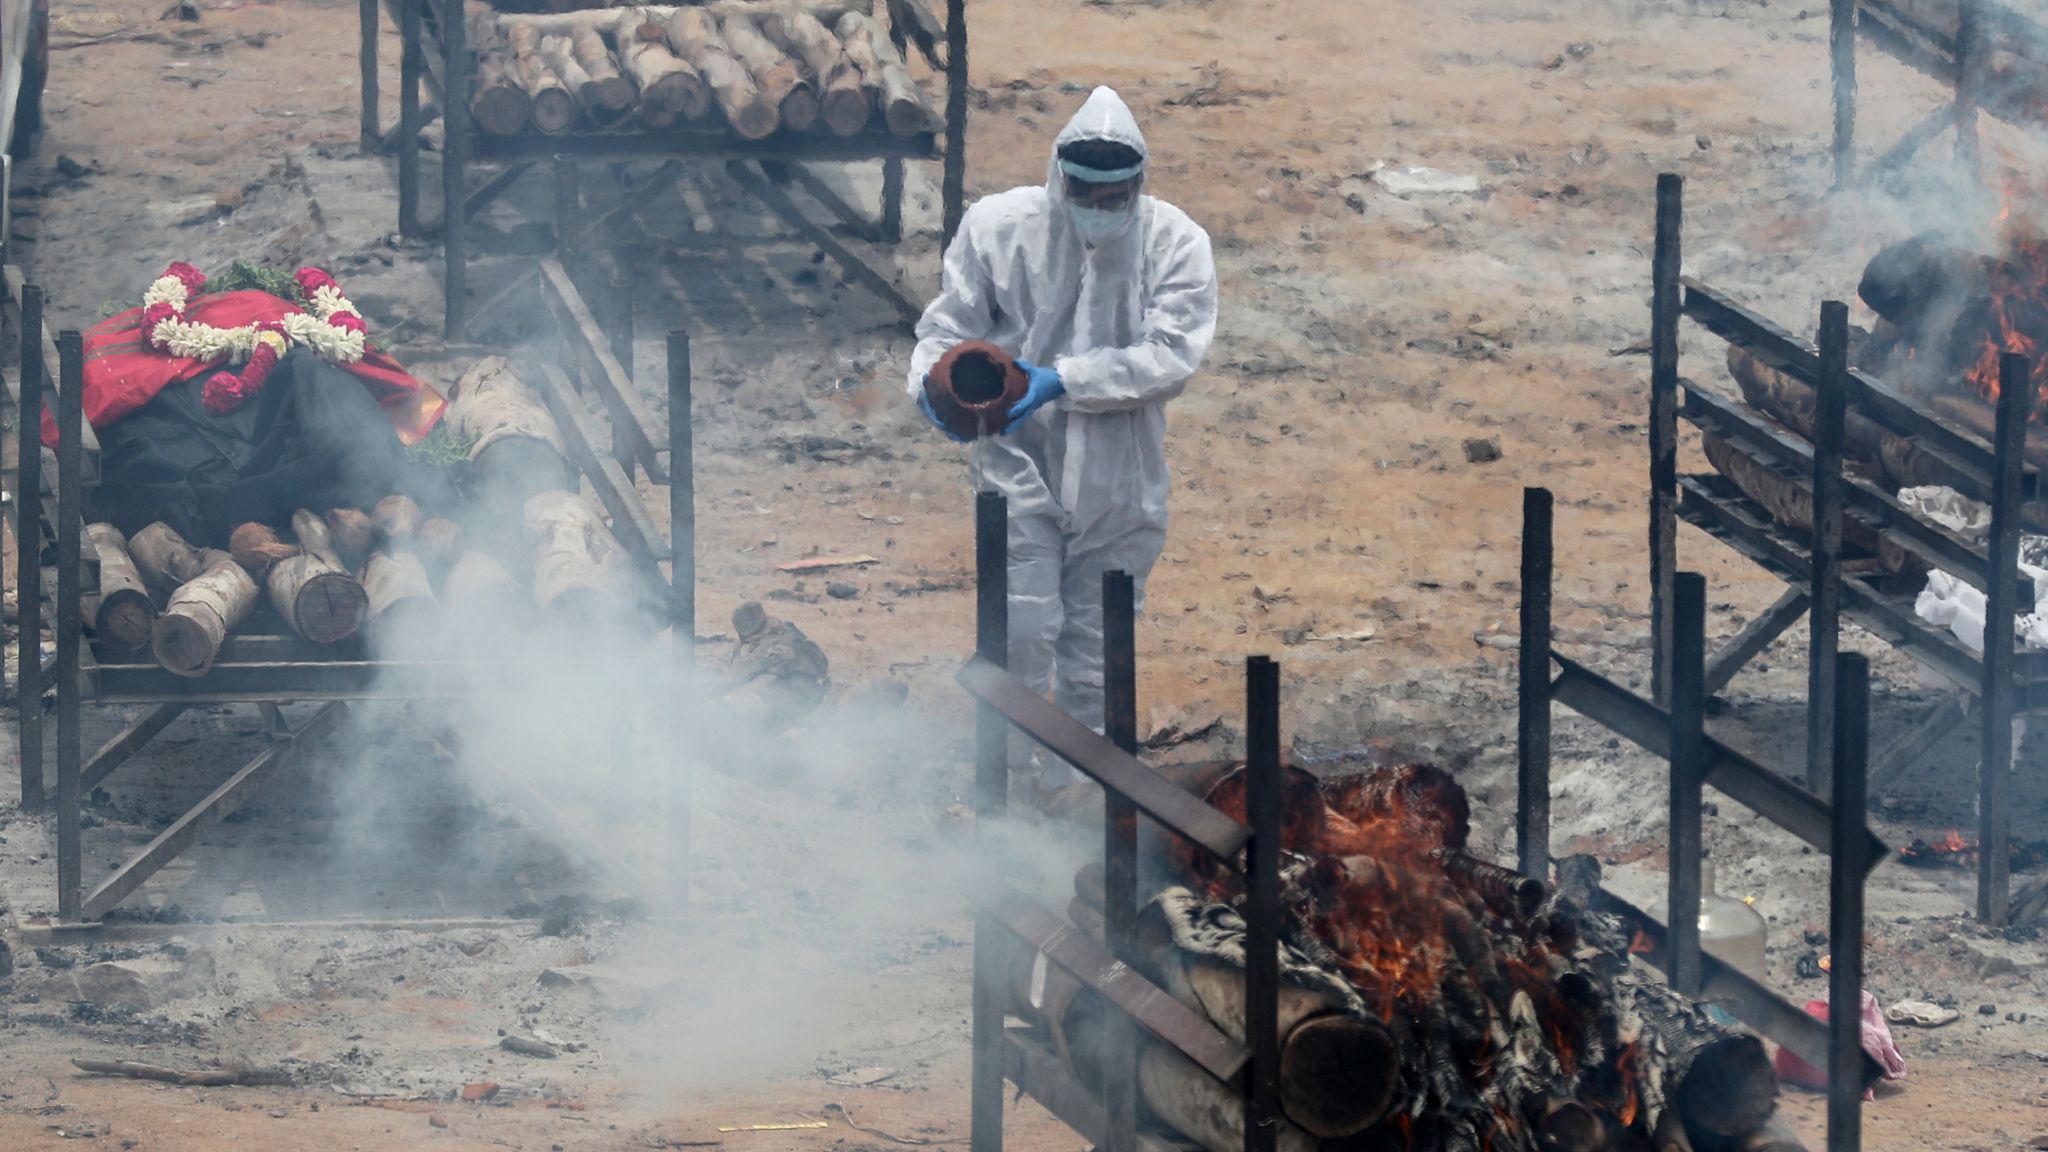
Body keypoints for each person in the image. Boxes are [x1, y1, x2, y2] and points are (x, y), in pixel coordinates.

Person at [907, 86, 1218, 806]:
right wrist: (931, 389)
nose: (1098, 209)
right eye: (1083, 193)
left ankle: (1080, 802)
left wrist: (1064, 380)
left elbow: (1170, 355)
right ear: (1058, 178)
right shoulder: (998, 227)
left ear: (1138, 188)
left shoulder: (1176, 244)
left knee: (1097, 655)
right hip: (1019, 464)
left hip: (1121, 476)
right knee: (1020, 632)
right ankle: (1010, 798)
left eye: (1115, 198)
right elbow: (945, 328)